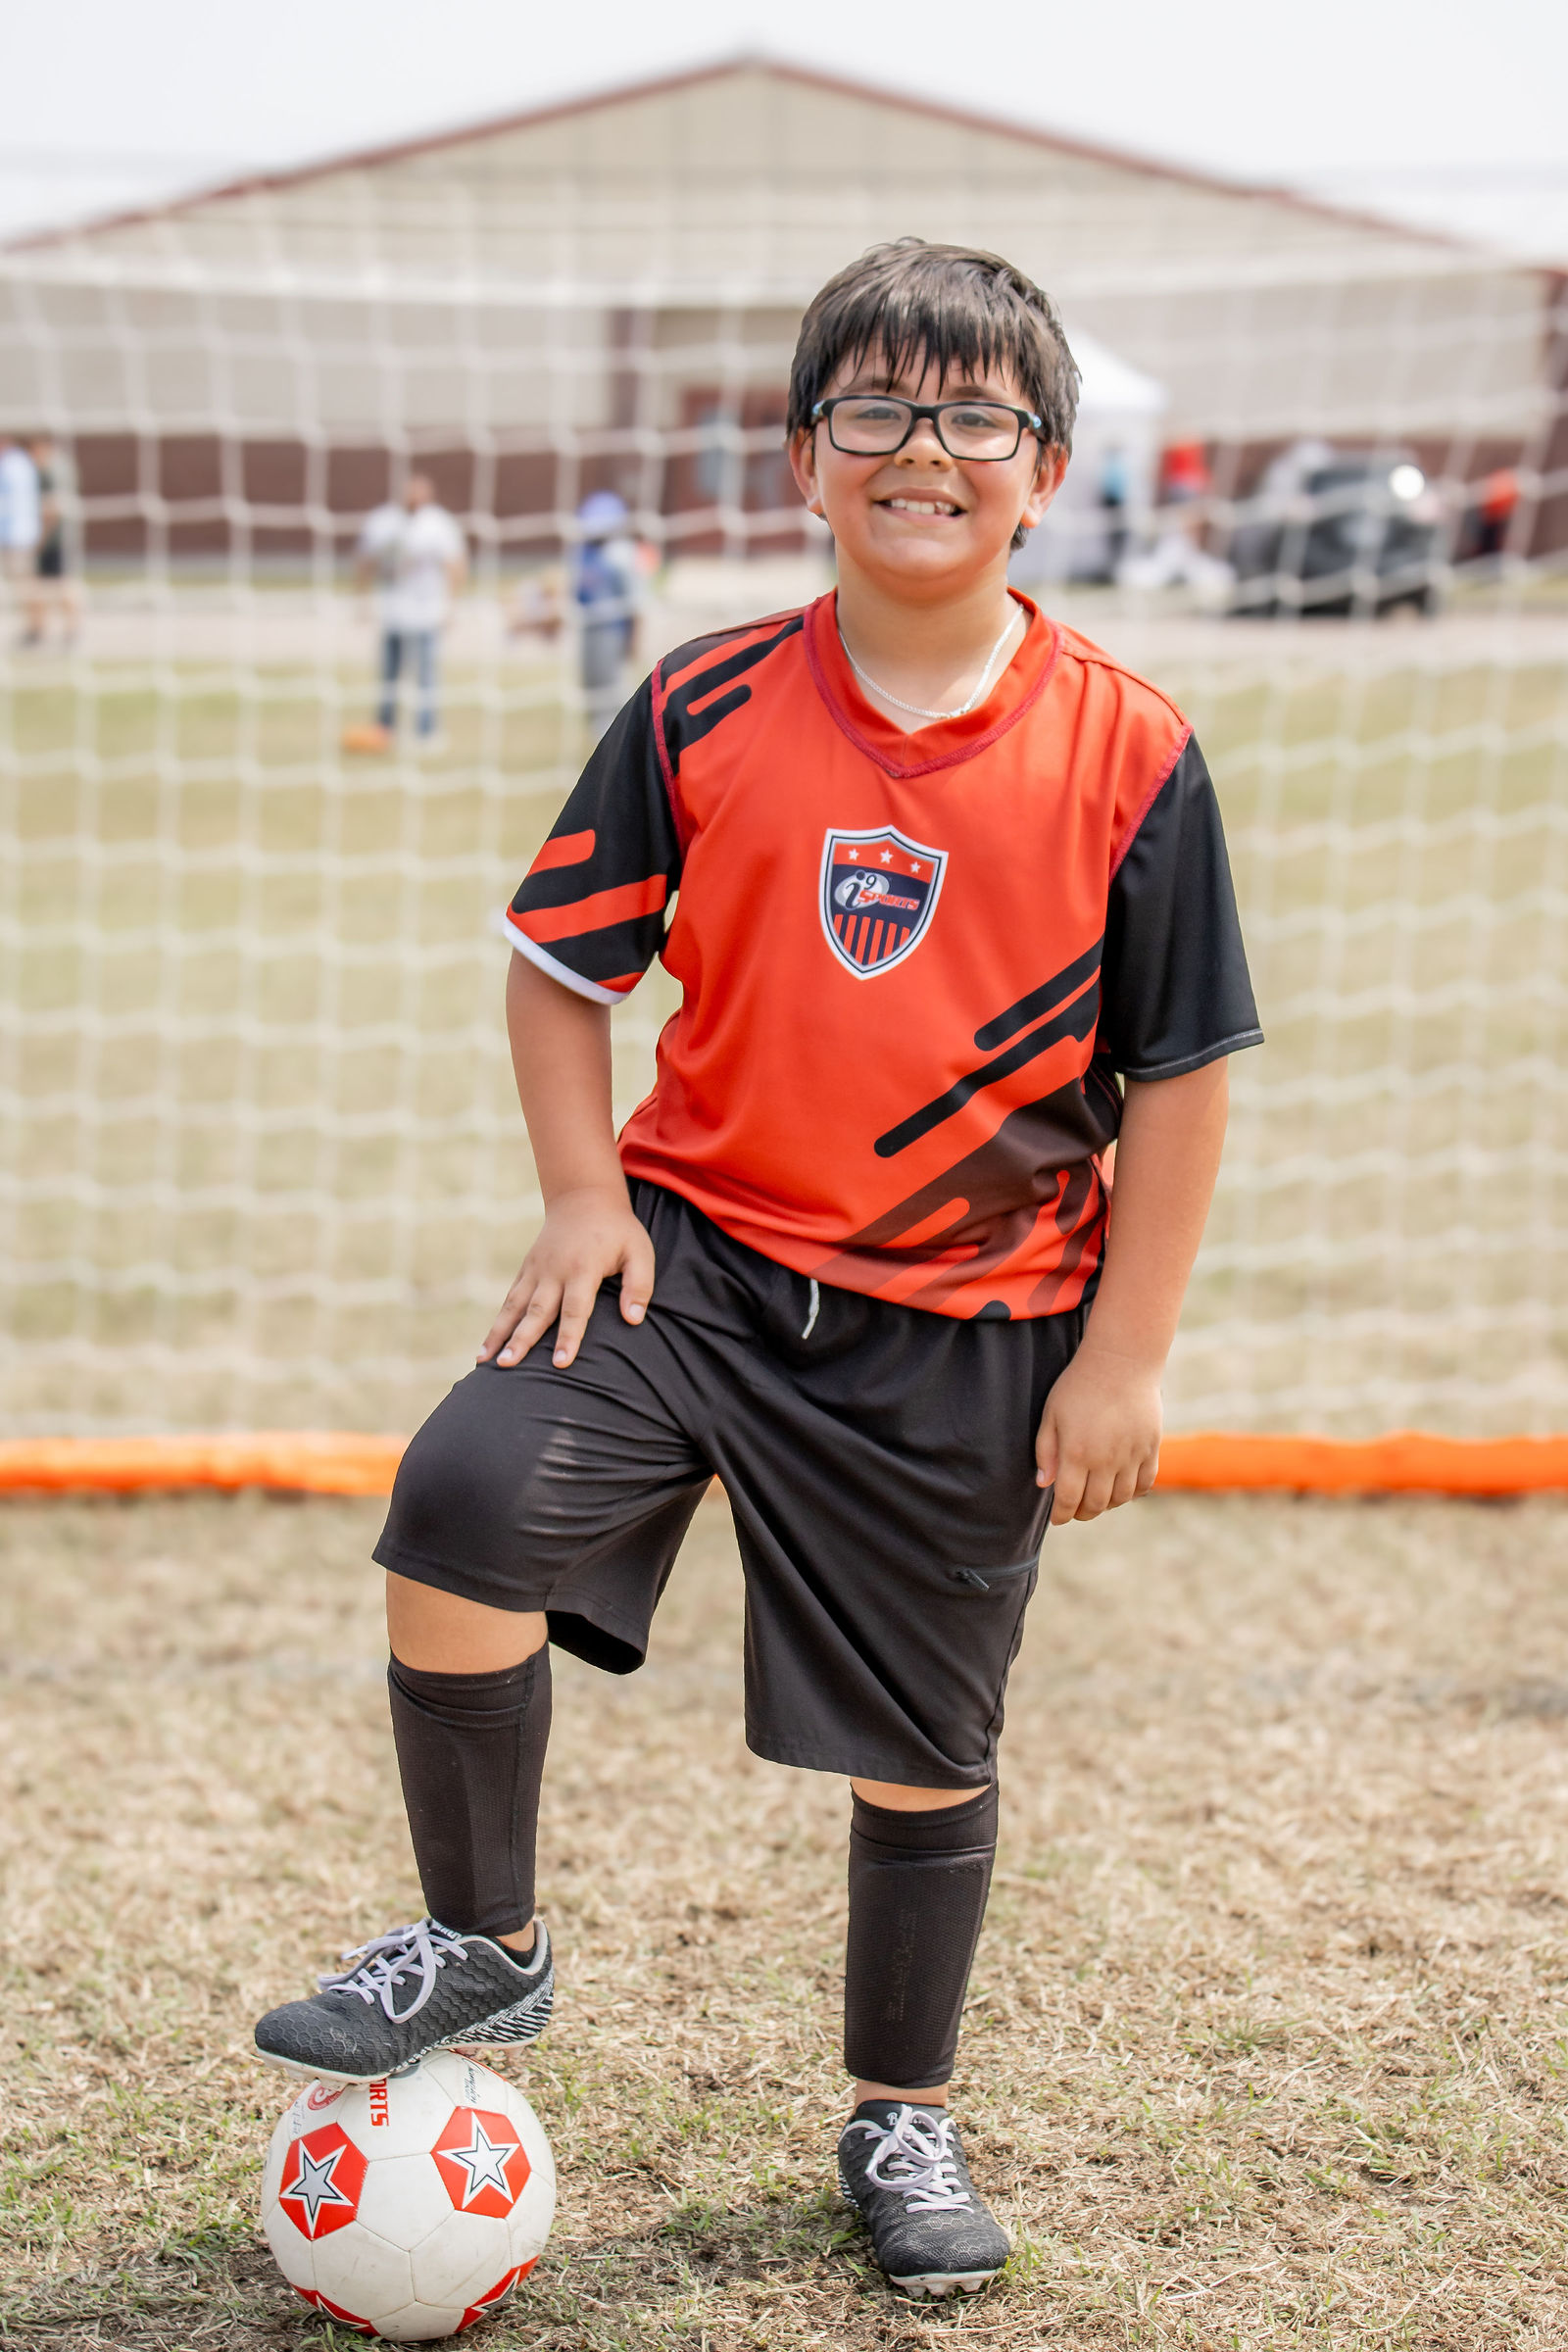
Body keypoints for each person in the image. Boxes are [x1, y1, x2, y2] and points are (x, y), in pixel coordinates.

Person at [254, 239, 1261, 2301]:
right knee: (458, 1503)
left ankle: (897, 2118)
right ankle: (486, 1941)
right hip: (692, 1267)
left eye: (971, 415)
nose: (923, 449)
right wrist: (579, 1200)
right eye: (875, 410)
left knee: (926, 1750)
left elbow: (1177, 1080)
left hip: (969, 1319)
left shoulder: (1128, 753)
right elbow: (558, 966)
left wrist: (1125, 1358)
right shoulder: (704, 699)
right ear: (805, 460)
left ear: (1043, 468)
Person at [348, 474, 466, 749]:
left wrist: (451, 605)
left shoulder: (438, 525)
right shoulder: (383, 522)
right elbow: (365, 561)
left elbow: (455, 565)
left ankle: (426, 732)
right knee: (388, 675)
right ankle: (383, 730)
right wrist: (361, 599)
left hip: (426, 612)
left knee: (426, 675)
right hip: (393, 611)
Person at [571, 489, 644, 740]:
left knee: (612, 684)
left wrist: (633, 638)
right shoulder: (584, 554)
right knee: (591, 683)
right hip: (589, 628)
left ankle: (616, 735)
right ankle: (598, 734)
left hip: (612, 631)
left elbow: (635, 603)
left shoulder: (621, 555)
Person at [24, 434, 81, 649]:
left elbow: (52, 509)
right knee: (41, 584)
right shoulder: (64, 465)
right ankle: (38, 630)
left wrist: (39, 538)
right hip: (60, 537)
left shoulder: (50, 470)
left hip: (55, 539)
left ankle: (69, 631)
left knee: (62, 584)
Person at [0, 433, 41, 636]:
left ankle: (35, 628)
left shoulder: (14, 464)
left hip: (16, 536)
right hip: (11, 534)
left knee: (25, 584)